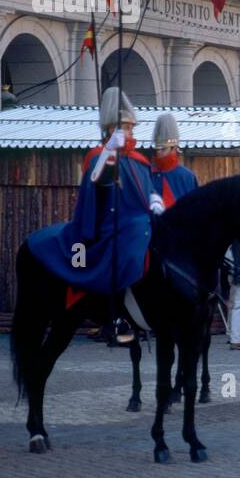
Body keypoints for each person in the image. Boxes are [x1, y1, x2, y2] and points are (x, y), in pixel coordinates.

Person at [26, 87, 161, 344]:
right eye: (125, 127)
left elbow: (150, 189)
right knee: (131, 252)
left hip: (140, 222)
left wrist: (156, 201)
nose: (130, 132)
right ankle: (118, 317)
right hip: (110, 224)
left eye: (132, 127)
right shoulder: (100, 156)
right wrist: (110, 150)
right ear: (111, 128)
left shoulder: (140, 160)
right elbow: (95, 179)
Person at [150, 113, 198, 206]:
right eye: (157, 149)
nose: (159, 152)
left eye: (163, 149)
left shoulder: (187, 177)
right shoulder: (147, 174)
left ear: (174, 148)